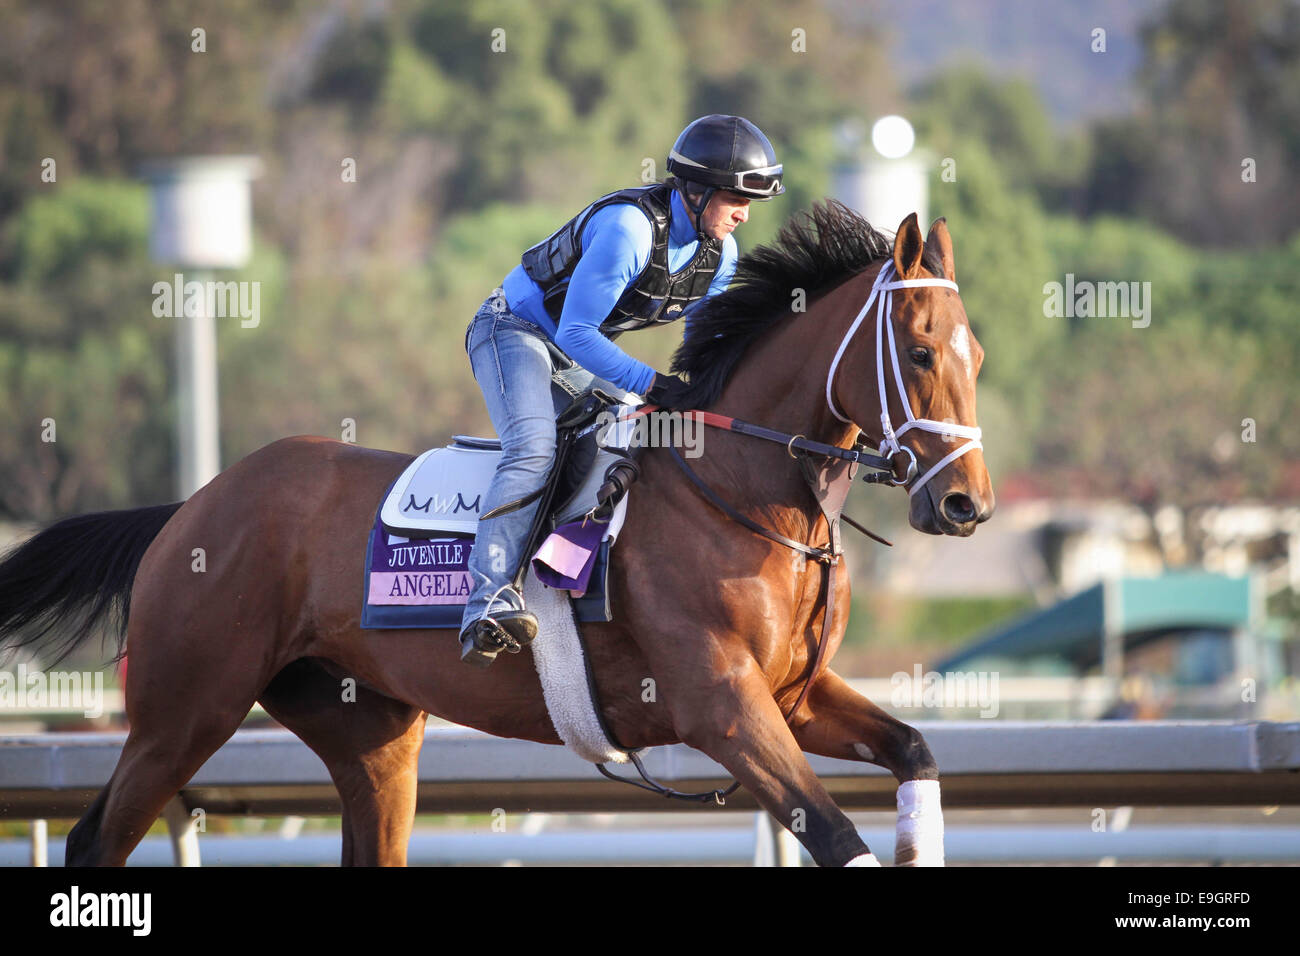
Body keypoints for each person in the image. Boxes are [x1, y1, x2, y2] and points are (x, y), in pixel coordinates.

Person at [459, 114, 785, 667]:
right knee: (535, 445)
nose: (743, 214)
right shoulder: (628, 230)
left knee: (645, 437)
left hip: (576, 353)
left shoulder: (720, 255)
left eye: (750, 202)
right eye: (735, 197)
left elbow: (709, 346)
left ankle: (561, 568)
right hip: (513, 331)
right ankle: (487, 598)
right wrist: (655, 382)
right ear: (698, 190)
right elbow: (576, 332)